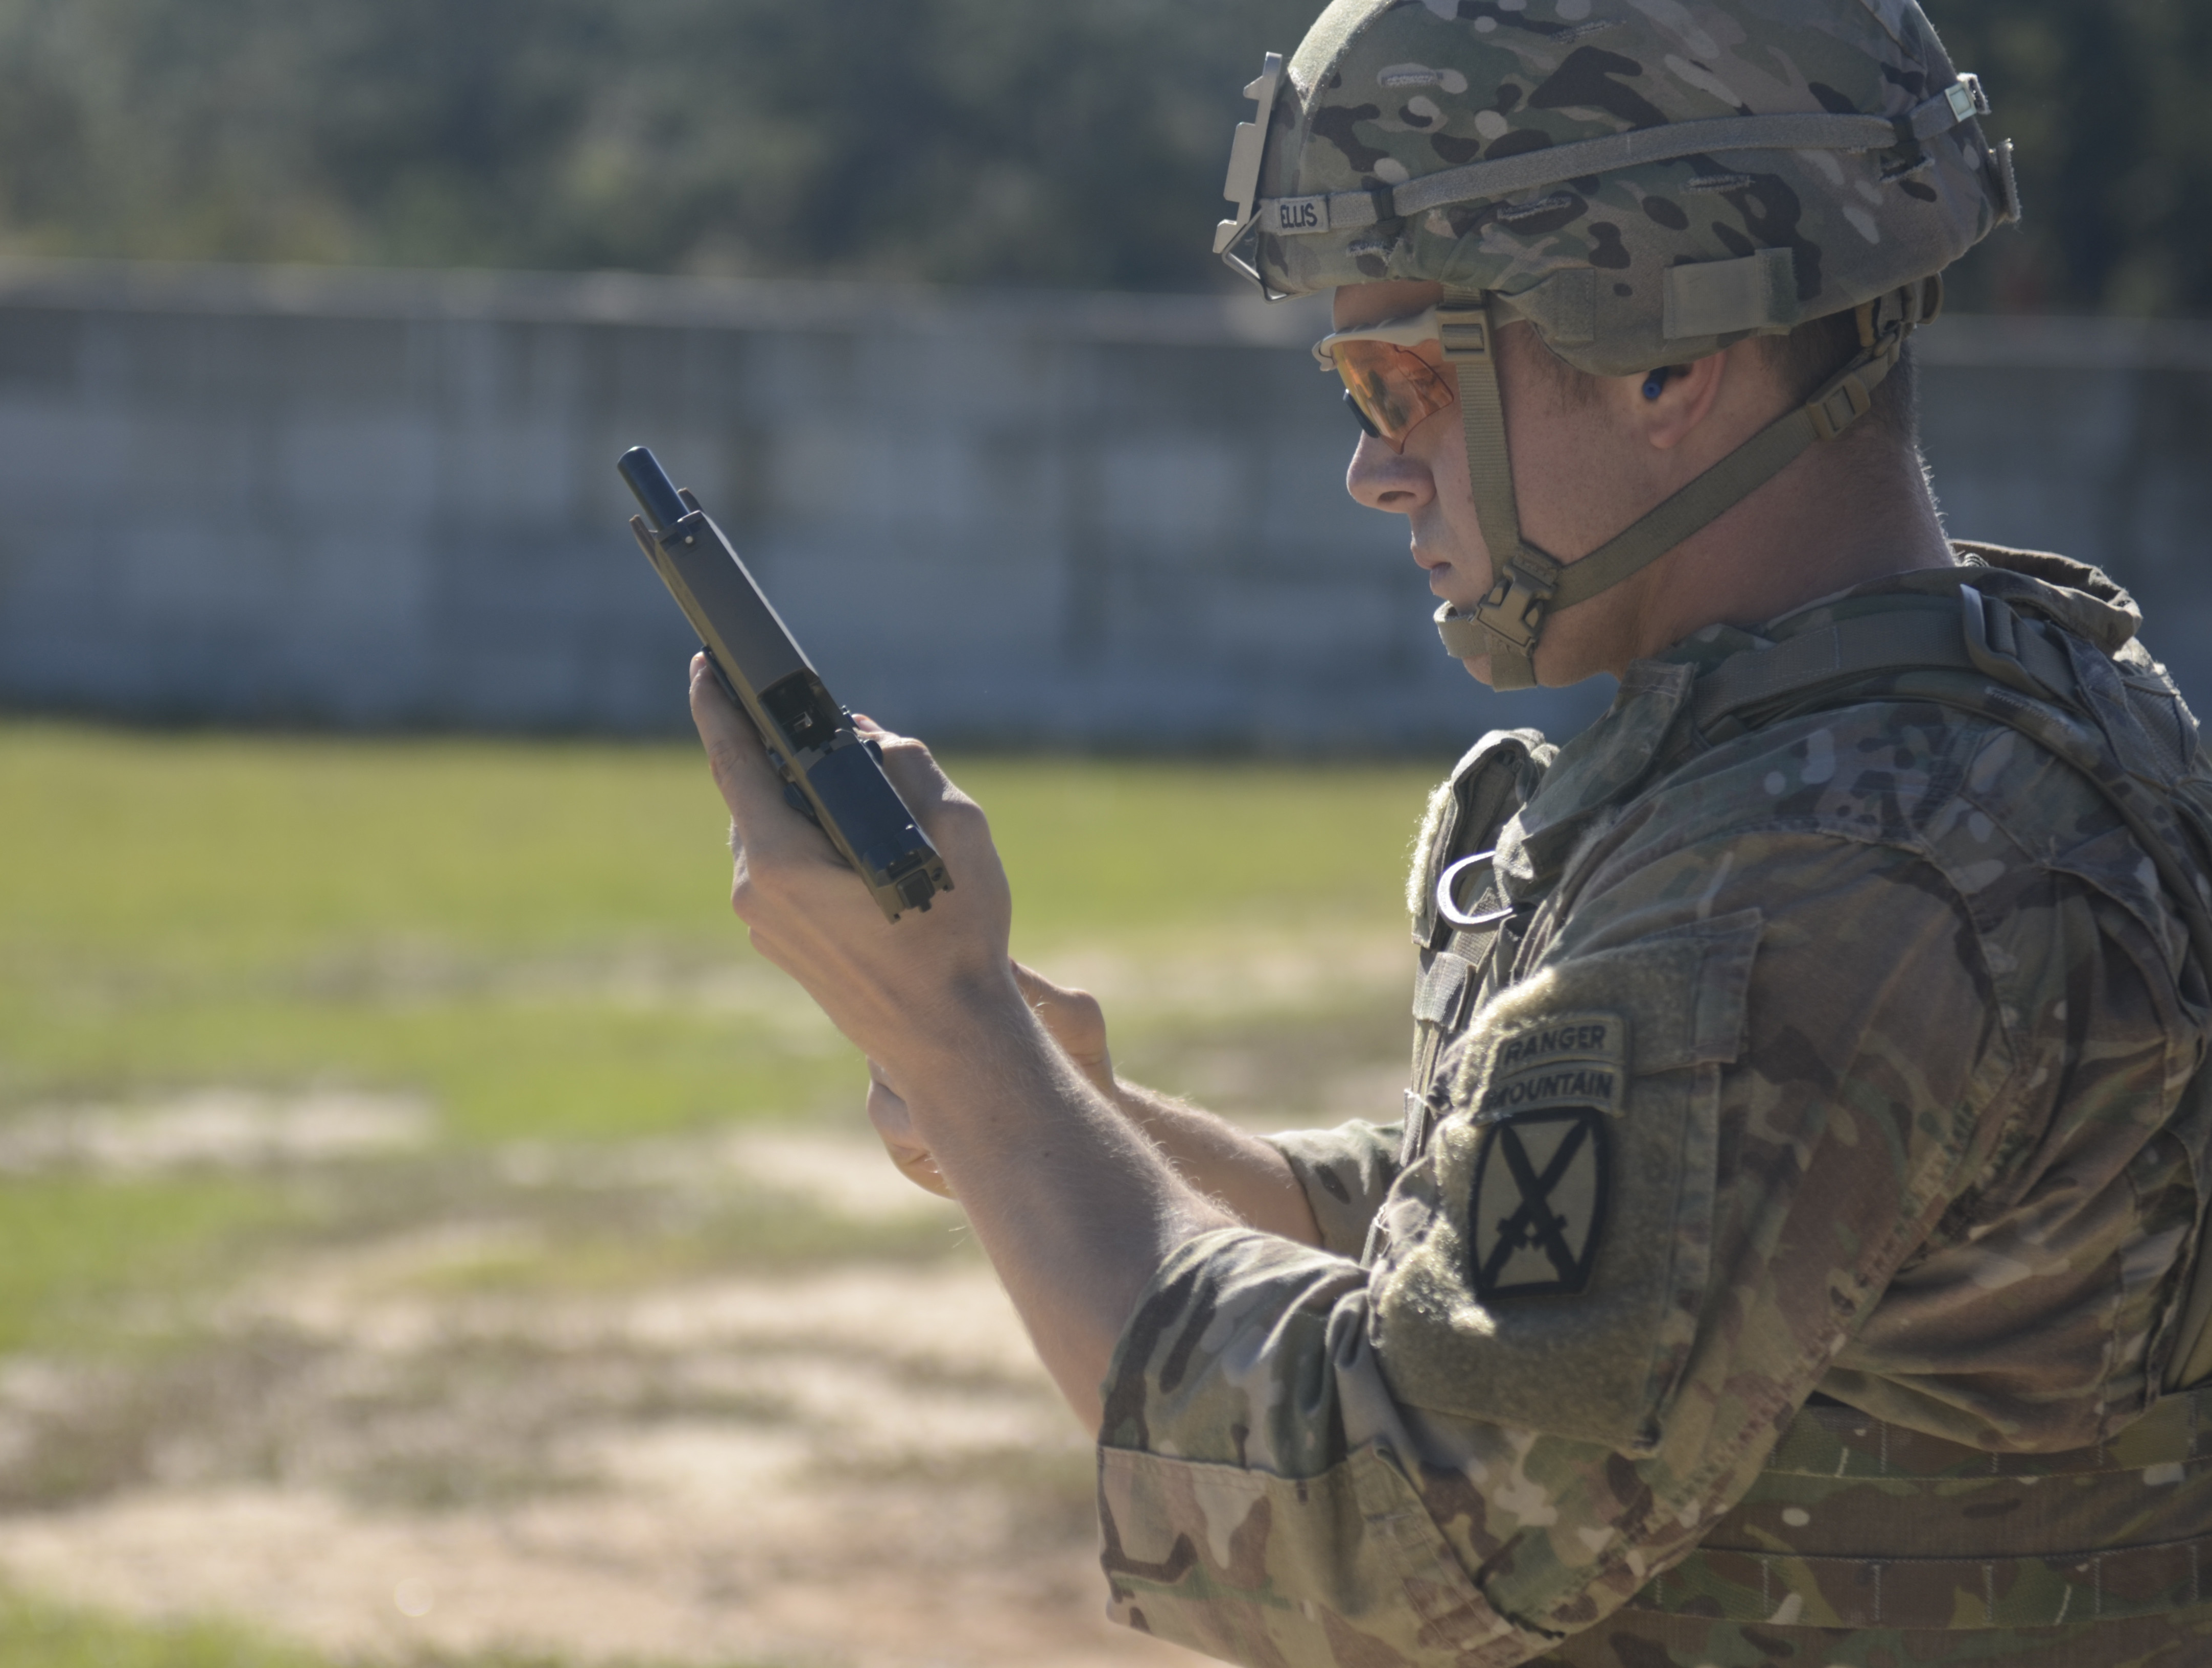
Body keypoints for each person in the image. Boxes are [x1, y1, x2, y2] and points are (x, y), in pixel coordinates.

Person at [687, 1, 2212, 1662]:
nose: (1373, 468)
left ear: (1668, 357)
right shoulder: (1940, 735)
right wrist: (1076, 1117)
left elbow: (1381, 1532)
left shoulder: (1844, 870)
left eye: (1404, 375)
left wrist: (970, 1050)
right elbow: (1537, 1261)